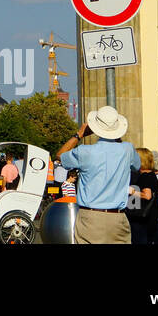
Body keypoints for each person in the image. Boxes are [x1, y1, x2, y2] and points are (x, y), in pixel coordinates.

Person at [57, 105, 140, 244]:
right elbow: (137, 166)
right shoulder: (127, 149)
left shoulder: (84, 151)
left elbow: (60, 155)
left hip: (90, 216)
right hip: (118, 217)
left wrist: (79, 135)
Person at [126, 147, 158, 244]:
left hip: (141, 218)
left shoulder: (145, 176)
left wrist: (131, 191)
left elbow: (147, 195)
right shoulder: (152, 175)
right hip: (149, 218)